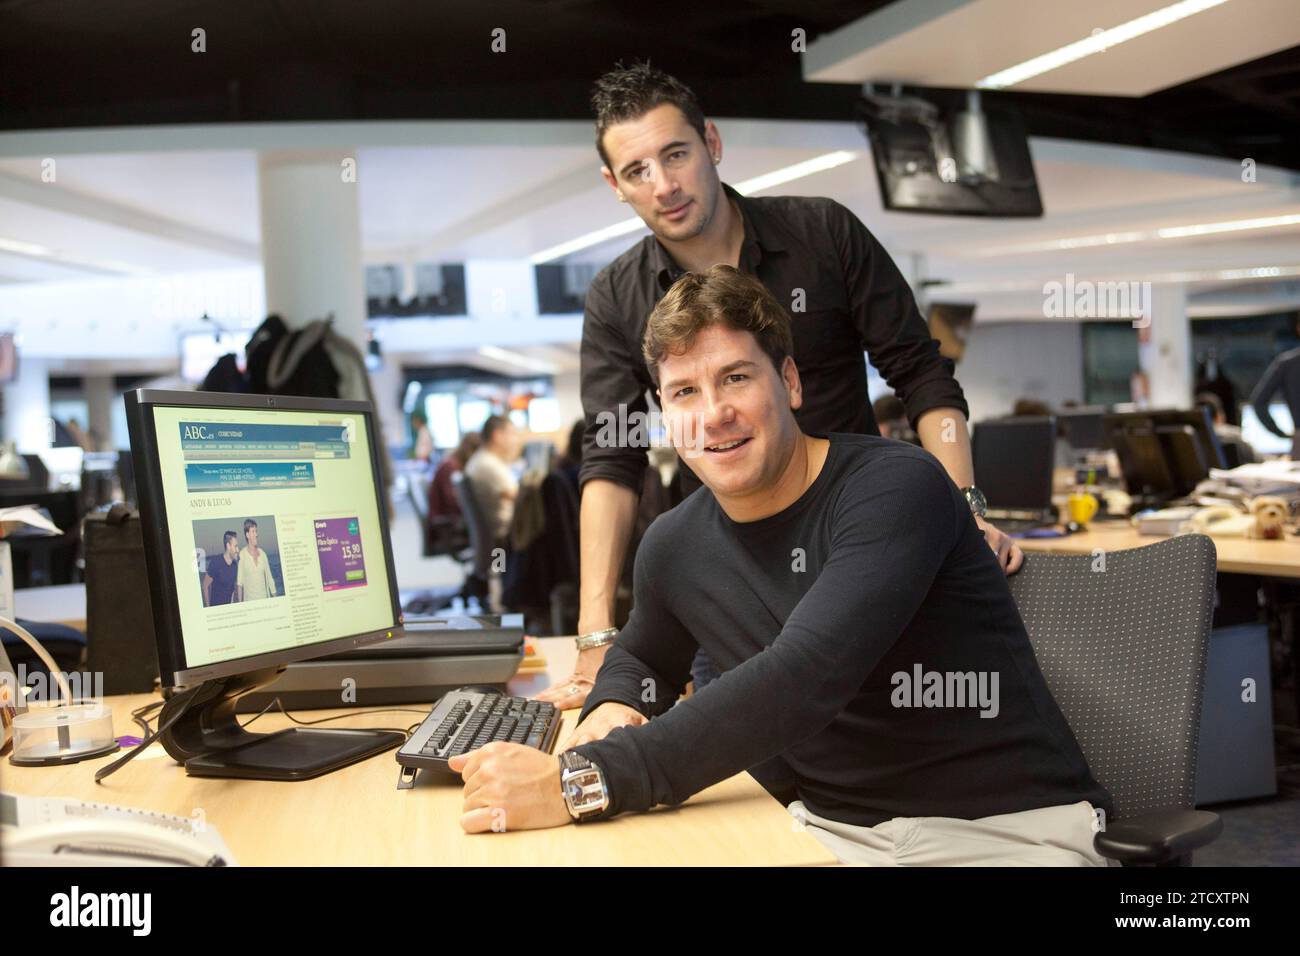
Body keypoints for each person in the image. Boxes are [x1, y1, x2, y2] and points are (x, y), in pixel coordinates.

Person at [449, 266, 1112, 864]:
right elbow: (646, 660)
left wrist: (582, 781)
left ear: (789, 382)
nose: (714, 414)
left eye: (736, 377)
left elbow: (803, 678)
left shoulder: (894, 488)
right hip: (819, 829)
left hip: (997, 833)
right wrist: (613, 706)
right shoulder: (675, 541)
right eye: (683, 392)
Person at [540, 63, 1021, 711]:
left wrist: (964, 507)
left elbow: (921, 374)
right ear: (615, 185)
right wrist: (597, 633)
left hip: (860, 539)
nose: (665, 185)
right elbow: (610, 459)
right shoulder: (616, 298)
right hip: (731, 574)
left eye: (676, 154)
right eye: (637, 172)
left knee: (870, 726)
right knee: (732, 751)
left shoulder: (823, 235)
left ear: (711, 143)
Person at [463, 416, 521, 543]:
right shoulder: (488, 464)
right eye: (513, 434)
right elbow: (519, 497)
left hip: (498, 533)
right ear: (497, 436)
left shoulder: (484, 459)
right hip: (506, 536)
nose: (516, 440)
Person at [1249, 319, 1300, 457]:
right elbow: (1258, 402)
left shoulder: (1287, 364)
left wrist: (1281, 434)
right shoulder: (1286, 363)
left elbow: (1258, 402)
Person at [429, 431, 482, 519]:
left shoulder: (454, 464)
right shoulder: (450, 467)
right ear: (471, 451)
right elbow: (453, 502)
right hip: (446, 524)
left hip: (450, 519)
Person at [235, 518, 277, 601]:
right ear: (247, 535)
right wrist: (240, 606)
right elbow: (239, 583)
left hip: (265, 602)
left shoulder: (263, 554)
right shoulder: (242, 555)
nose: (256, 534)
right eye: (253, 531)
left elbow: (270, 578)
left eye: (256, 531)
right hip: (250, 605)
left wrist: (276, 599)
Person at [202, 530, 240, 607]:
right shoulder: (216, 562)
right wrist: (209, 608)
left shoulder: (235, 565)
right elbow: (205, 586)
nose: (238, 550)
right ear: (228, 546)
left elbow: (231, 589)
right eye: (235, 546)